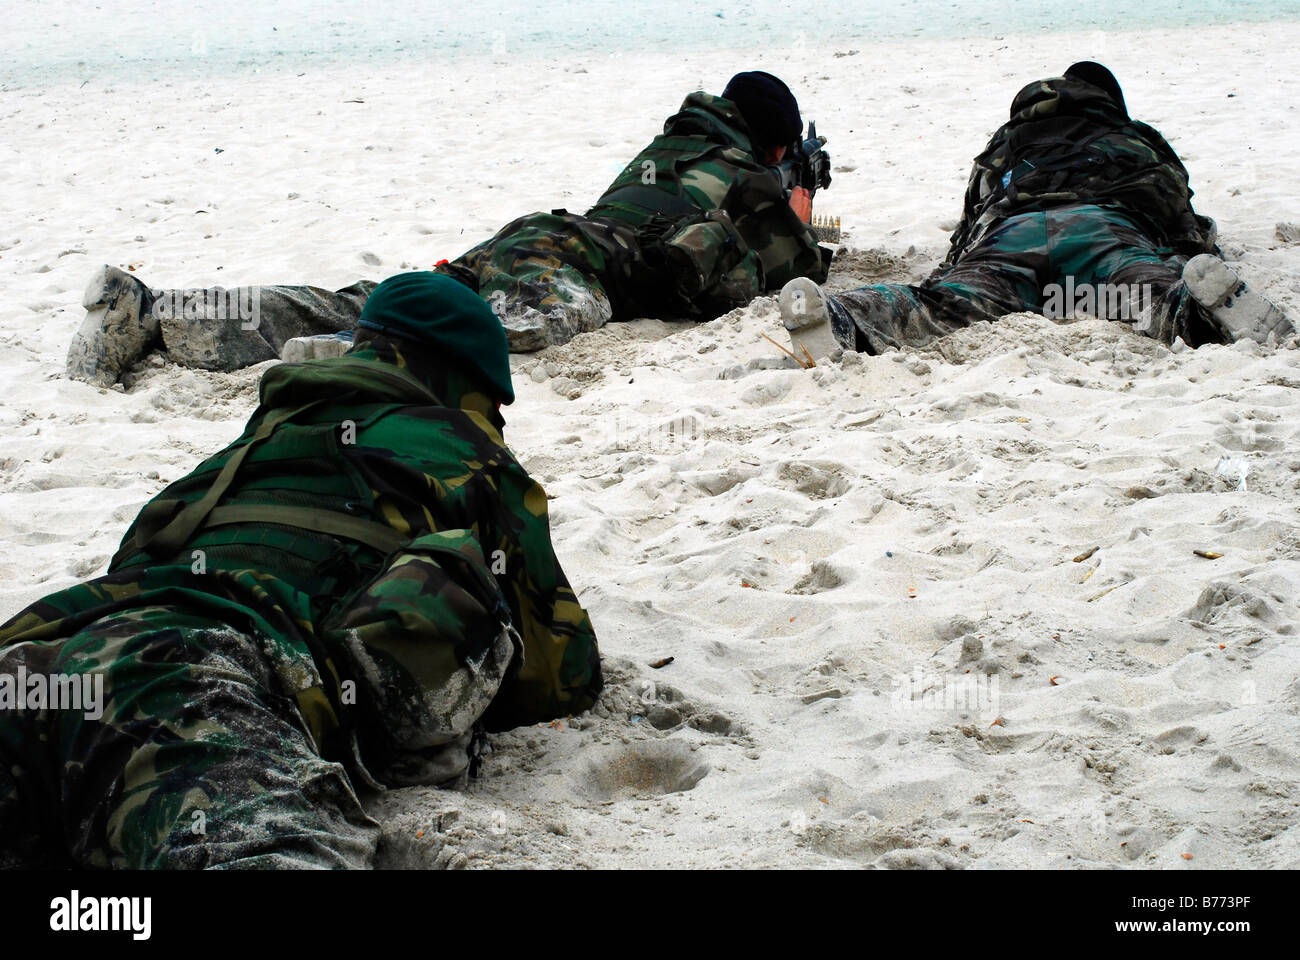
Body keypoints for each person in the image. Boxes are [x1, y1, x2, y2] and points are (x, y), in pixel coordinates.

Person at [1, 272, 602, 869]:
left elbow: (140, 553)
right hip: (193, 676)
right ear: (463, 380)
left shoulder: (252, 442)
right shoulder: (467, 449)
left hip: (45, 651)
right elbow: (562, 673)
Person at [67, 71, 833, 387]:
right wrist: (797, 212)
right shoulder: (752, 178)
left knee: (375, 294)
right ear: (774, 141)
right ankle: (351, 356)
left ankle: (158, 312)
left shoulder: (674, 145)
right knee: (501, 331)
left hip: (530, 235)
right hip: (577, 262)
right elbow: (795, 273)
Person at [779, 61, 1291, 360]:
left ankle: (844, 318)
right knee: (1142, 293)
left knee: (939, 305)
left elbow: (968, 226)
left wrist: (954, 271)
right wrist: (1190, 255)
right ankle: (1196, 309)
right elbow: (1175, 211)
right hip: (1102, 227)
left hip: (1012, 234)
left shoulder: (1005, 144)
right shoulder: (1133, 138)